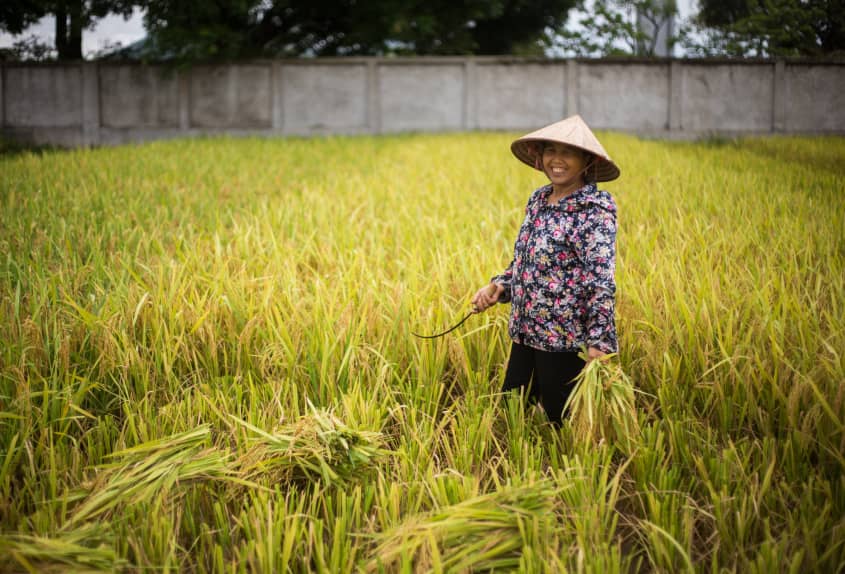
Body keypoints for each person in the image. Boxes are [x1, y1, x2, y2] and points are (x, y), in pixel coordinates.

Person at [471, 115, 621, 426]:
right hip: (525, 332)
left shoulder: (593, 211)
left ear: (586, 161)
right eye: (551, 150)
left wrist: (599, 342)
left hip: (563, 339)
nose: (557, 159)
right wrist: (499, 286)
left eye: (568, 152)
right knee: (512, 412)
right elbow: (526, 261)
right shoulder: (539, 200)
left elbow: (600, 281)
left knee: (559, 422)